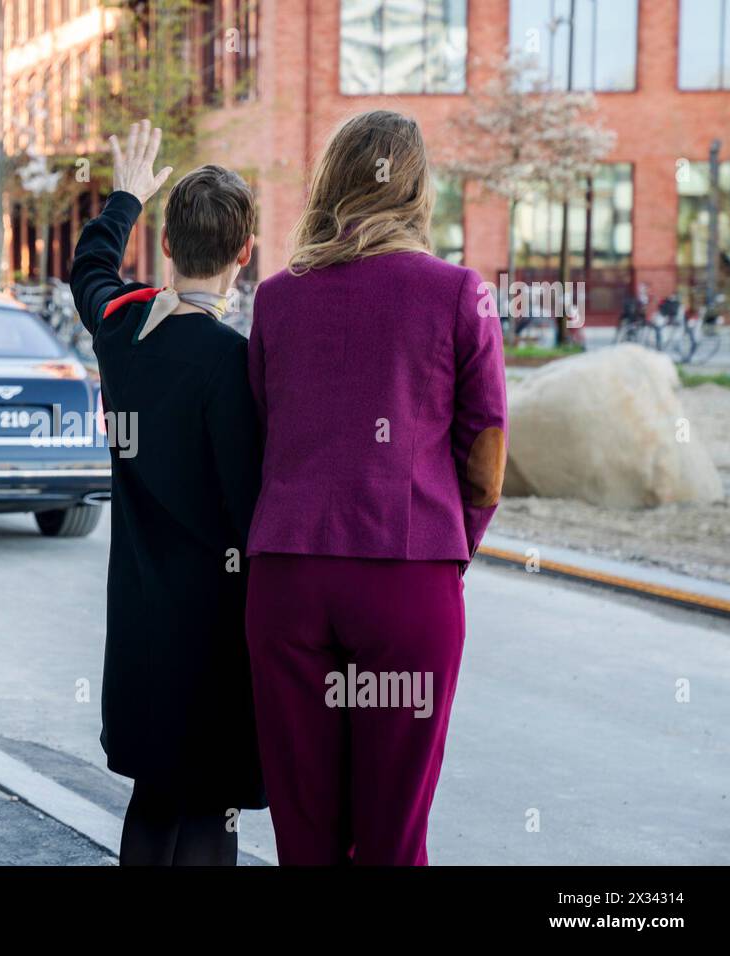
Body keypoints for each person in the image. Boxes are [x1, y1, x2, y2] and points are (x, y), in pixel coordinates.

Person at [245, 110, 508, 865]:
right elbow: (486, 454)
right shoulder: (459, 293)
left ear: (330, 185)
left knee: (306, 836)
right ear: (418, 191)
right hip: (407, 576)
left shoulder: (276, 298)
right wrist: (453, 547)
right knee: (392, 841)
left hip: (288, 578)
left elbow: (269, 430)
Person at [70, 120, 265, 866]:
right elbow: (250, 512)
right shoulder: (236, 365)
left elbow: (90, 268)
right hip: (216, 631)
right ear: (243, 254)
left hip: (141, 621)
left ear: (169, 250)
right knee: (210, 809)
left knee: (153, 799)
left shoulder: (122, 334)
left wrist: (127, 194)